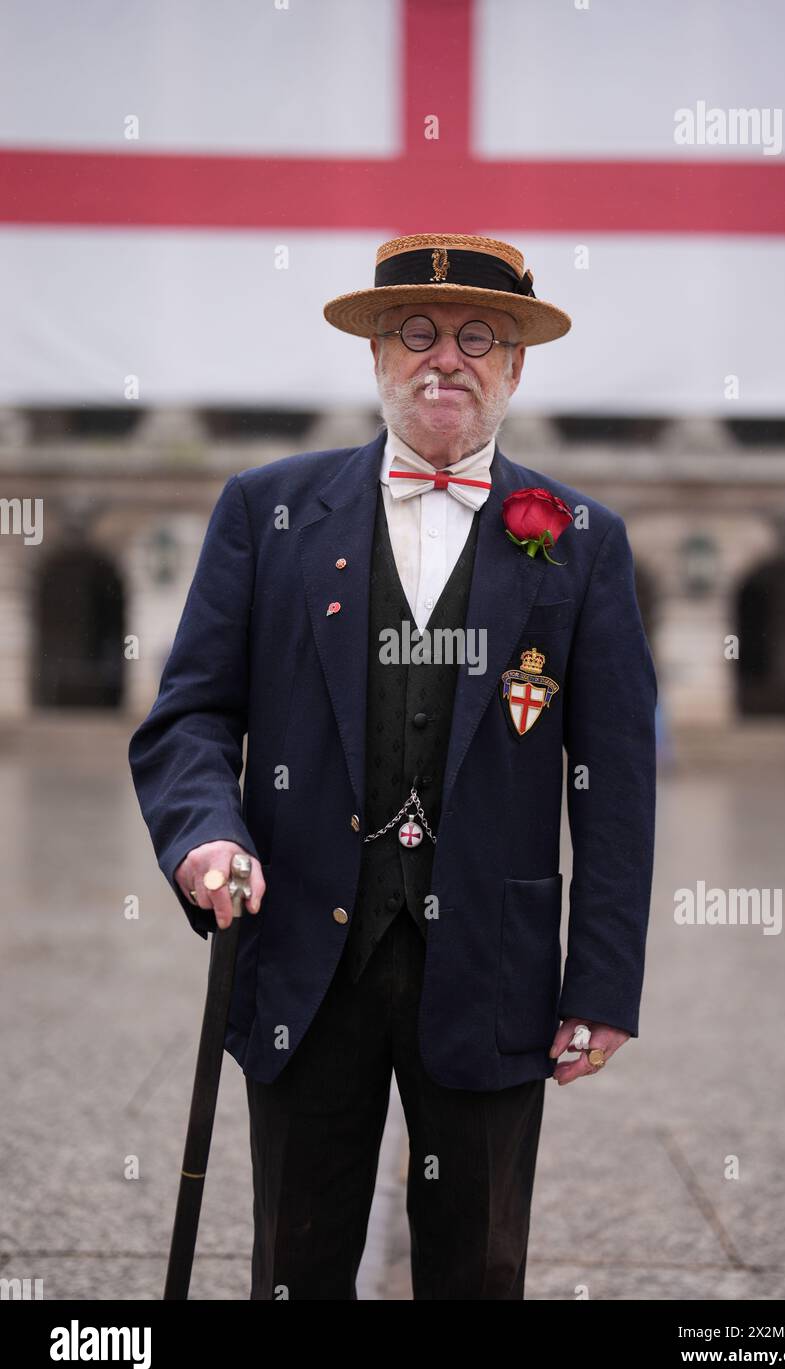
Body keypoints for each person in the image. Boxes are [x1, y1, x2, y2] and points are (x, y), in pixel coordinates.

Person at [128, 232, 657, 1300]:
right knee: (296, 1255)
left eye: (477, 337)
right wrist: (206, 833)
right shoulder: (265, 511)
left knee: (477, 1264)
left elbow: (614, 779)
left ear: (515, 367)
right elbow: (189, 716)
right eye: (415, 333)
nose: (444, 358)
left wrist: (600, 982)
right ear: (376, 354)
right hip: (302, 954)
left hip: (493, 969)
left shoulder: (582, 540)